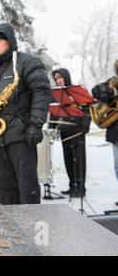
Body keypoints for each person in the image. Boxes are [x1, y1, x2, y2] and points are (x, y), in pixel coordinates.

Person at [0, 23, 52, 205]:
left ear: (10, 41)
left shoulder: (28, 63)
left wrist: (35, 124)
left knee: (27, 186)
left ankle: (30, 224)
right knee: (4, 186)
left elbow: (42, 92)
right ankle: (12, 227)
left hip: (21, 134)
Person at [50, 69, 90, 197]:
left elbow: (87, 110)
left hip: (77, 131)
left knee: (78, 160)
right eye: (56, 79)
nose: (58, 81)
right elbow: (54, 111)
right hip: (65, 130)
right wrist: (52, 126)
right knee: (68, 160)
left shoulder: (76, 92)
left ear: (66, 77)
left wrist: (85, 126)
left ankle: (80, 188)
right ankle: (72, 186)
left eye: (61, 78)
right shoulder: (56, 94)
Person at [92, 59, 118, 205]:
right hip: (116, 130)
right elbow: (96, 90)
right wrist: (103, 91)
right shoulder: (113, 81)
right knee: (117, 165)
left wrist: (115, 92)